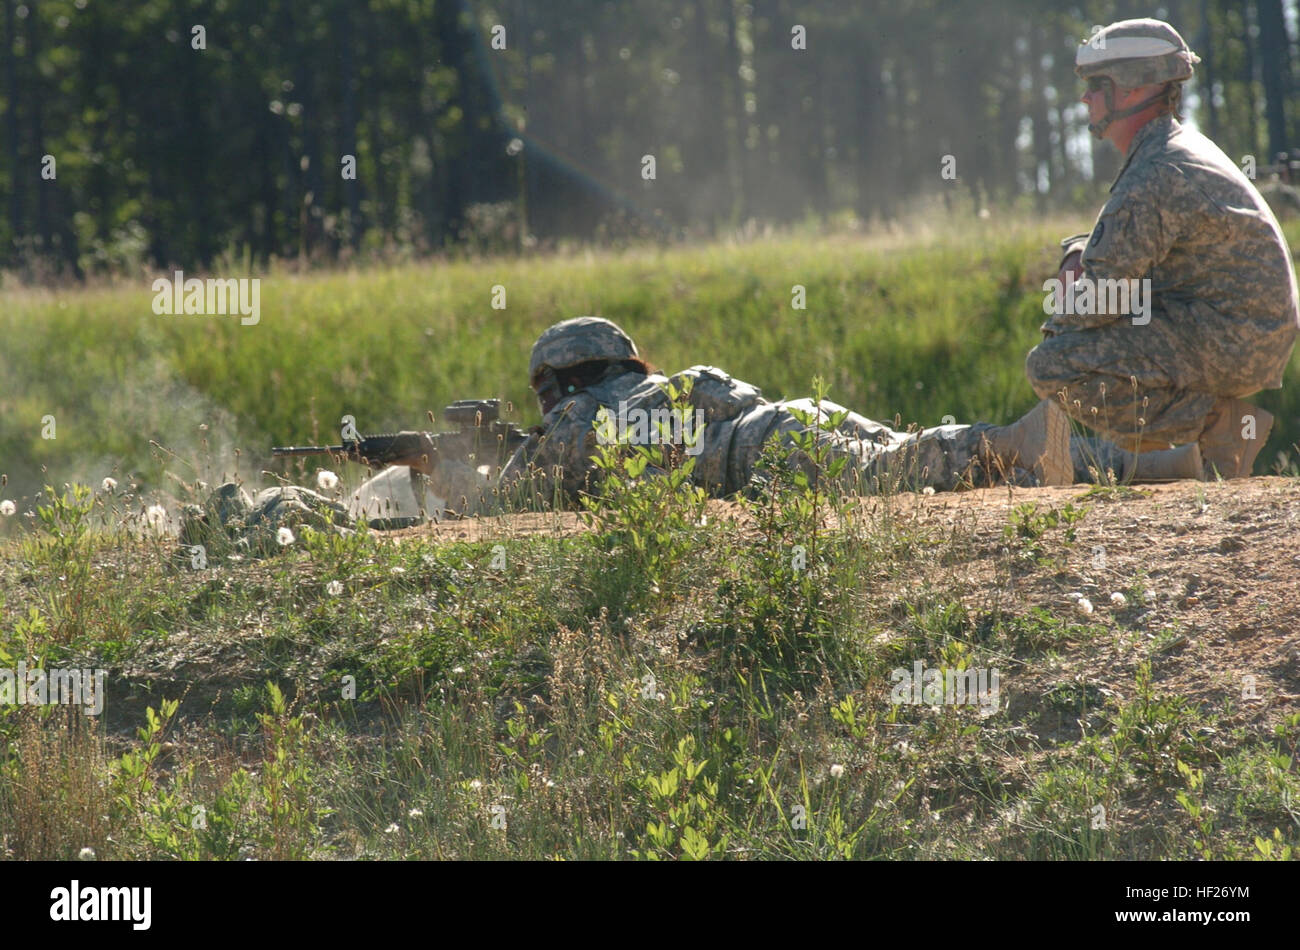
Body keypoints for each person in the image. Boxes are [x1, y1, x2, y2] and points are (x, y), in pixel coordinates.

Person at [1027, 18, 1300, 480]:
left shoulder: (1156, 170)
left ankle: (1220, 428)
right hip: (1237, 327)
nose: (1085, 98)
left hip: (1234, 335)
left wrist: (1059, 326)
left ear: (1131, 91)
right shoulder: (1171, 151)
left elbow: (1100, 298)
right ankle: (1158, 464)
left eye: (1097, 85)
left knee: (1053, 365)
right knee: (1091, 343)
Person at [483, 315, 1073, 509]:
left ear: (567, 379)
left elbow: (517, 494)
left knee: (891, 473)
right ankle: (1090, 457)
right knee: (896, 448)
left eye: (546, 392)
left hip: (764, 455)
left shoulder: (579, 416)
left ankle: (1014, 444)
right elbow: (738, 399)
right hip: (788, 418)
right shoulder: (658, 389)